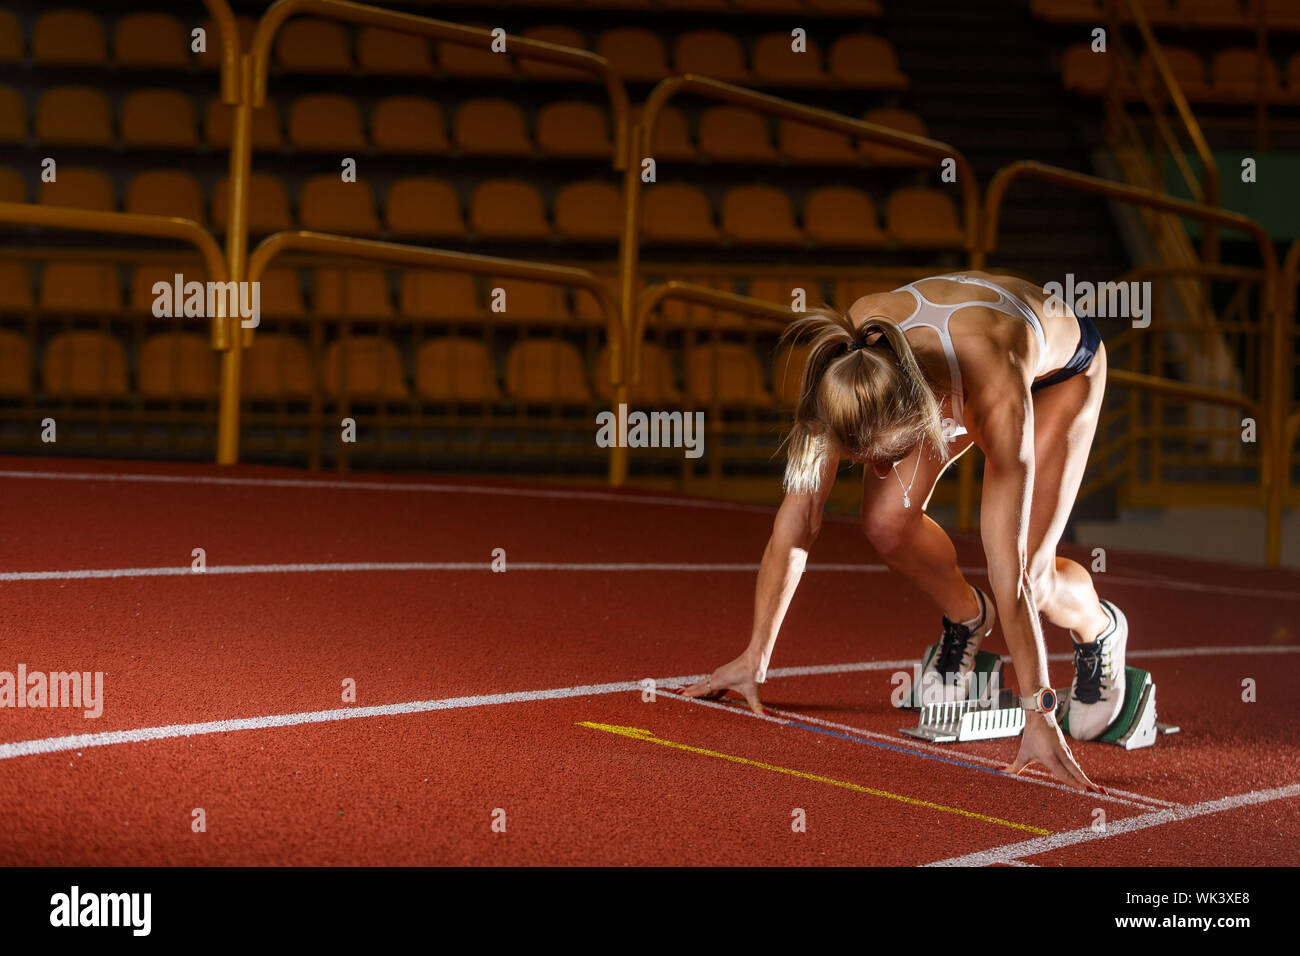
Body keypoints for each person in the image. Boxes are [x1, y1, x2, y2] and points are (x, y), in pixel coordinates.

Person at [682, 271, 1123, 793]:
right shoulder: (851, 368)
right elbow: (799, 522)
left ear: (921, 417)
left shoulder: (995, 394)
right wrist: (756, 655)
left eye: (886, 456)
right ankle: (968, 617)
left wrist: (1039, 711)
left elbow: (1015, 577)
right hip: (940, 362)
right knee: (885, 523)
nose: (881, 468)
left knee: (1036, 573)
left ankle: (1100, 628)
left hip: (1058, 375)